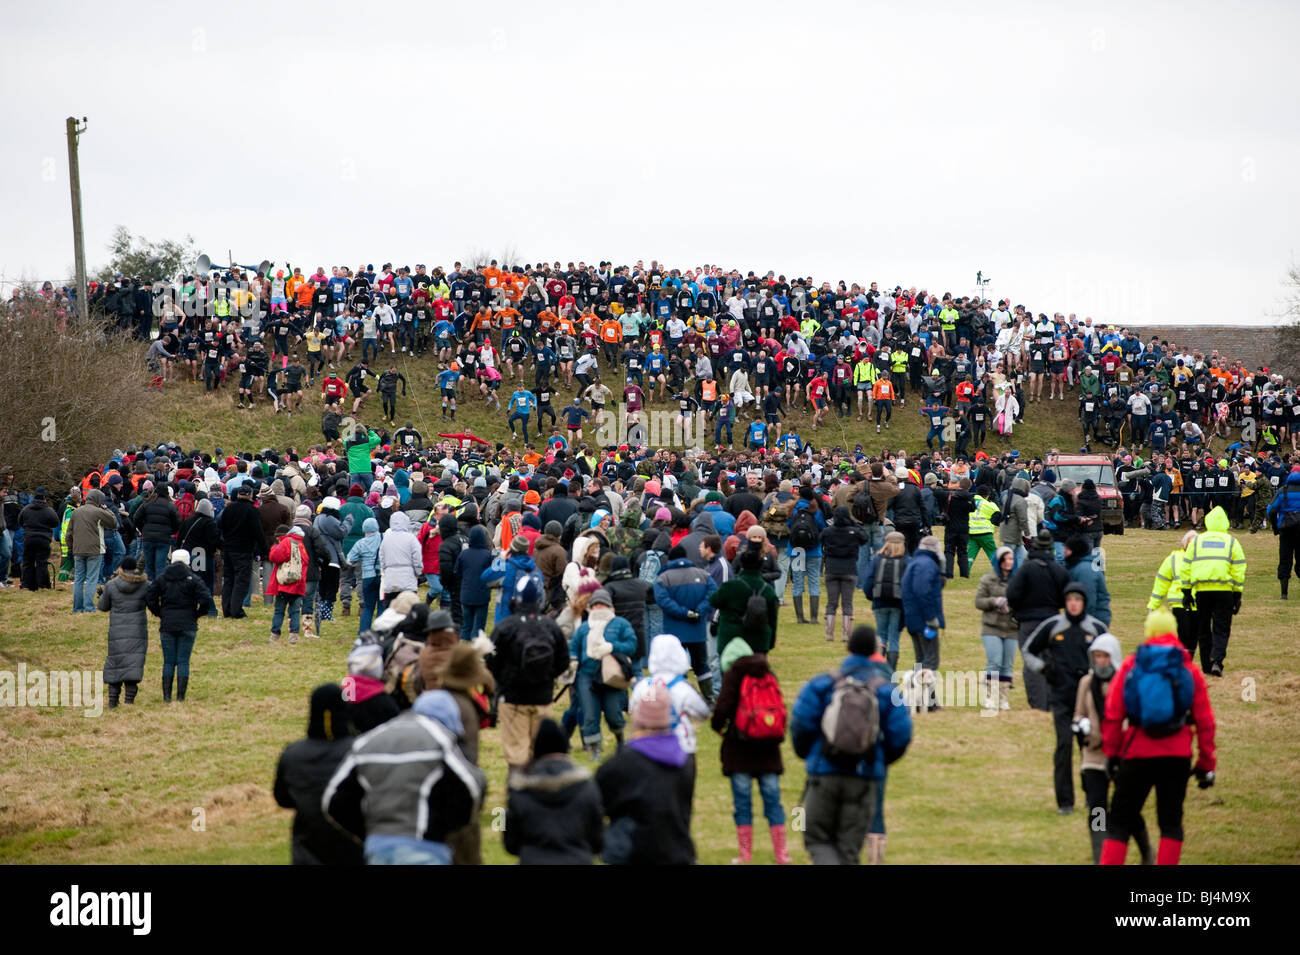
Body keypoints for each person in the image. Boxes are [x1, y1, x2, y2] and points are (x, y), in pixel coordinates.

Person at [1100, 609, 1217, 866]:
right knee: (1171, 824)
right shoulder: (1188, 668)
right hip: (1177, 755)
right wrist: (1206, 763)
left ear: (1148, 632)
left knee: (1119, 822)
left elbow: (1113, 714)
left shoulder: (1132, 664)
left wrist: (1112, 753)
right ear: (1175, 632)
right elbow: (1206, 722)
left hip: (1137, 752)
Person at [790, 625, 912, 864]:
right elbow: (901, 733)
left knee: (818, 840)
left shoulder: (822, 684)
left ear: (848, 648)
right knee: (849, 849)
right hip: (863, 775)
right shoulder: (886, 690)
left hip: (824, 773)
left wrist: (809, 754)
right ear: (875, 652)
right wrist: (879, 758)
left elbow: (801, 723)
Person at [322, 688, 487, 865]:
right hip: (424, 848)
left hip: (378, 849)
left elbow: (332, 801)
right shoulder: (438, 737)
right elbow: (473, 784)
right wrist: (448, 827)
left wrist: (369, 833)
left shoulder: (371, 739)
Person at [1023, 582, 1108, 815]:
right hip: (1060, 697)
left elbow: (1111, 656)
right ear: (1064, 602)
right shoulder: (1053, 625)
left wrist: (1102, 681)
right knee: (1063, 746)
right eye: (1069, 599)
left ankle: (1092, 795)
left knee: (1089, 745)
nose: (1073, 604)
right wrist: (1043, 668)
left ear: (1083, 603)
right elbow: (1028, 649)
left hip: (1089, 700)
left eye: (1077, 600)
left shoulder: (1096, 628)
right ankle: (1065, 802)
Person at [1072, 633, 1152, 865]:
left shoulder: (1127, 682)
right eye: (1096, 656)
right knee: (1097, 807)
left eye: (1105, 656)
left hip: (1121, 755)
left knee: (1126, 808)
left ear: (1113, 657)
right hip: (1093, 755)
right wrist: (1080, 724)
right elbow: (1078, 713)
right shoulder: (1086, 683)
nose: (1100, 661)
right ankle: (1100, 857)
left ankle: (1145, 849)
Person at [594, 683, 696, 865]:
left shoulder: (625, 761)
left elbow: (597, 799)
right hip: (678, 849)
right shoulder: (685, 760)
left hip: (635, 850)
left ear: (638, 718)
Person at [710, 638, 791, 864]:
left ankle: (745, 854)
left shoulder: (733, 675)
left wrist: (719, 728)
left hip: (740, 748)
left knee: (743, 803)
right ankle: (781, 853)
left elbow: (722, 709)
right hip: (768, 747)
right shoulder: (768, 673)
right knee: (773, 801)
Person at [487, 575, 571, 776]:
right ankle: (538, 793)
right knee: (539, 751)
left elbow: (491, 663)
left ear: (516, 599)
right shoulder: (551, 626)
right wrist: (547, 677)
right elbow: (563, 661)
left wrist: (505, 682)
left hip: (513, 700)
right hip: (543, 698)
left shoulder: (506, 627)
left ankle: (517, 796)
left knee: (517, 753)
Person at [273, 684, 363, 865]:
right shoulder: (360, 752)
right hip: (353, 848)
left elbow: (282, 798)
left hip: (307, 852)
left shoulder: (292, 755)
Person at [504, 719, 605, 864]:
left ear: (536, 751)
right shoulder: (587, 789)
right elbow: (598, 841)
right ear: (564, 749)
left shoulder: (518, 790)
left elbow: (510, 843)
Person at [1177, 505, 1245, 676]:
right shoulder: (1231, 542)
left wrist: (1186, 591)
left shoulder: (1198, 541)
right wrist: (1237, 593)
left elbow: (1186, 566)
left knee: (1203, 629)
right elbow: (1238, 569)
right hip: (1224, 591)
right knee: (1222, 628)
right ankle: (1217, 660)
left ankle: (1206, 664)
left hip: (1202, 591)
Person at [570, 588, 638, 760]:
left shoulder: (621, 624)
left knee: (614, 713)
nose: (599, 607)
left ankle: (620, 740)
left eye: (603, 604)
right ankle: (595, 750)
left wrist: (612, 647)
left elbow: (632, 645)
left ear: (609, 606)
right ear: (591, 607)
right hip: (586, 675)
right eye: (596, 604)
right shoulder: (584, 628)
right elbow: (574, 647)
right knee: (590, 715)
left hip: (612, 675)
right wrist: (572, 660)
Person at [1006, 529, 1069, 712]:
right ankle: (1050, 700)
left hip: (1028, 621)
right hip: (1052, 620)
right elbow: (1068, 595)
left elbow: (1012, 594)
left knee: (1031, 661)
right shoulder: (1058, 570)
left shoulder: (1026, 569)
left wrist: (1018, 612)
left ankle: (1038, 703)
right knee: (1050, 659)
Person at [145, 549, 213, 703]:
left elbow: (150, 597)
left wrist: (160, 613)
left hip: (168, 624)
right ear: (188, 561)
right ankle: (181, 697)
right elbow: (206, 599)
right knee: (183, 661)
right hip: (188, 624)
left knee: (168, 661)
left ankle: (167, 697)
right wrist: (197, 614)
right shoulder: (194, 579)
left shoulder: (162, 578)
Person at [653, 544, 719, 702]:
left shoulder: (664, 578)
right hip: (697, 630)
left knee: (676, 666)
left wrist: (683, 612)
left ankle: (678, 698)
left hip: (674, 630)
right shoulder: (703, 575)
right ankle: (710, 698)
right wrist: (699, 610)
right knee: (701, 665)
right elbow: (713, 593)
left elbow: (663, 601)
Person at [709, 539, 779, 657]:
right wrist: (770, 642)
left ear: (741, 565)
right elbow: (773, 620)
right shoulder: (767, 590)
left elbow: (714, 600)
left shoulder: (730, 586)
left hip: (730, 639)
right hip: (758, 641)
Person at [901, 535, 945, 709]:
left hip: (913, 618)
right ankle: (923, 700)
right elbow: (923, 591)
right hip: (924, 620)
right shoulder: (927, 565)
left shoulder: (914, 562)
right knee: (930, 662)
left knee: (921, 660)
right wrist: (930, 617)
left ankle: (924, 700)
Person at [98, 555, 148, 708]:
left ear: (121, 568)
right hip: (137, 630)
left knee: (115, 664)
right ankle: (129, 700)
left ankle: (113, 701)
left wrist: (102, 595)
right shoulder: (144, 584)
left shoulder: (112, 585)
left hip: (116, 632)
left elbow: (102, 607)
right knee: (134, 664)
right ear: (135, 568)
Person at [974, 546, 1019, 711]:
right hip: (991, 627)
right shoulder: (988, 579)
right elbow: (979, 602)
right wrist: (995, 602)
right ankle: (990, 698)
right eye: (1006, 559)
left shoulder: (1018, 580)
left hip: (1012, 627)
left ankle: (1003, 699)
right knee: (994, 661)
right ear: (999, 561)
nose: (1009, 562)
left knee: (1007, 664)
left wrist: (1013, 605)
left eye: (1012, 559)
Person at [819, 506, 871, 641]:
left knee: (831, 603)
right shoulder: (853, 532)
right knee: (847, 603)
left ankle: (829, 633)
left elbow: (820, 539)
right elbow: (865, 538)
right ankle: (846, 634)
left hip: (831, 569)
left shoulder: (828, 531)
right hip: (849, 569)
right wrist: (853, 524)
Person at [860, 530, 908, 672]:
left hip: (880, 602)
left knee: (881, 635)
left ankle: (880, 669)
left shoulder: (877, 559)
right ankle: (891, 670)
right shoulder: (906, 561)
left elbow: (868, 582)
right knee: (894, 637)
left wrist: (872, 597)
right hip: (898, 604)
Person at [66, 488, 119, 613]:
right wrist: (106, 509)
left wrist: (71, 548)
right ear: (97, 500)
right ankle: (89, 608)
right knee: (91, 579)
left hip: (78, 550)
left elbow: (69, 533)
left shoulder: (76, 512)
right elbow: (113, 522)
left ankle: (77, 608)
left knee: (78, 579)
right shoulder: (98, 511)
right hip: (94, 550)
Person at [218, 482, 267, 618]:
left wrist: (223, 544)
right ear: (251, 495)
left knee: (229, 579)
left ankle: (227, 609)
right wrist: (264, 550)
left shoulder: (229, 508)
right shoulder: (252, 511)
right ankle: (236, 610)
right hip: (243, 550)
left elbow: (221, 527)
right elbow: (258, 532)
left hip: (228, 548)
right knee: (241, 581)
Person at [267, 524, 310, 644]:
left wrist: (274, 547)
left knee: (279, 610)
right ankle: (293, 636)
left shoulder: (287, 542)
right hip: (298, 584)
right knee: (295, 611)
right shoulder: (301, 545)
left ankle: (274, 635)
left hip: (285, 583)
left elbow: (274, 557)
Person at [1265, 466, 1300, 597]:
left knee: (1285, 559)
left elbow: (1271, 511)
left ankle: (1284, 593)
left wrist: (1275, 527)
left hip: (1286, 529)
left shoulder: (1282, 491)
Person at [1064, 535, 1112, 627]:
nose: (1064, 551)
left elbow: (1089, 599)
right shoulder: (1079, 567)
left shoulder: (1084, 571)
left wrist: (1082, 622)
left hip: (1093, 620)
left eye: (1067, 549)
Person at [18, 487, 59, 590]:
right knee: (41, 562)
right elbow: (56, 522)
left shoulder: (26, 509)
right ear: (44, 498)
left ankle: (26, 585)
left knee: (27, 562)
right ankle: (42, 585)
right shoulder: (49, 510)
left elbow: (20, 521)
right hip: (43, 539)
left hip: (29, 538)